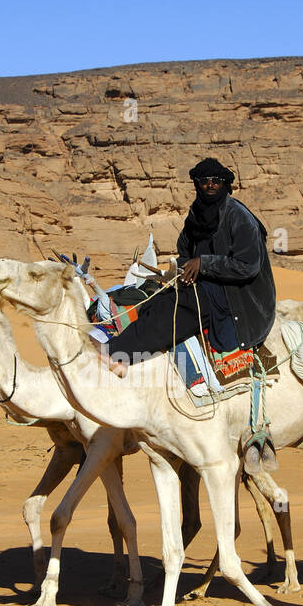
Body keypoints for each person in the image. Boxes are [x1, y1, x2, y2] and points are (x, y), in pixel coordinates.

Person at [97, 157, 278, 469]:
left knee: (181, 306)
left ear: (225, 184)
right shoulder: (197, 215)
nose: (210, 185)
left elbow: (249, 265)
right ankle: (125, 351)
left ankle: (119, 353)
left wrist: (205, 264)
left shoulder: (240, 217)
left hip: (243, 300)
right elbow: (186, 252)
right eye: (204, 180)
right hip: (210, 285)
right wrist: (179, 268)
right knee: (157, 299)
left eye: (215, 180)